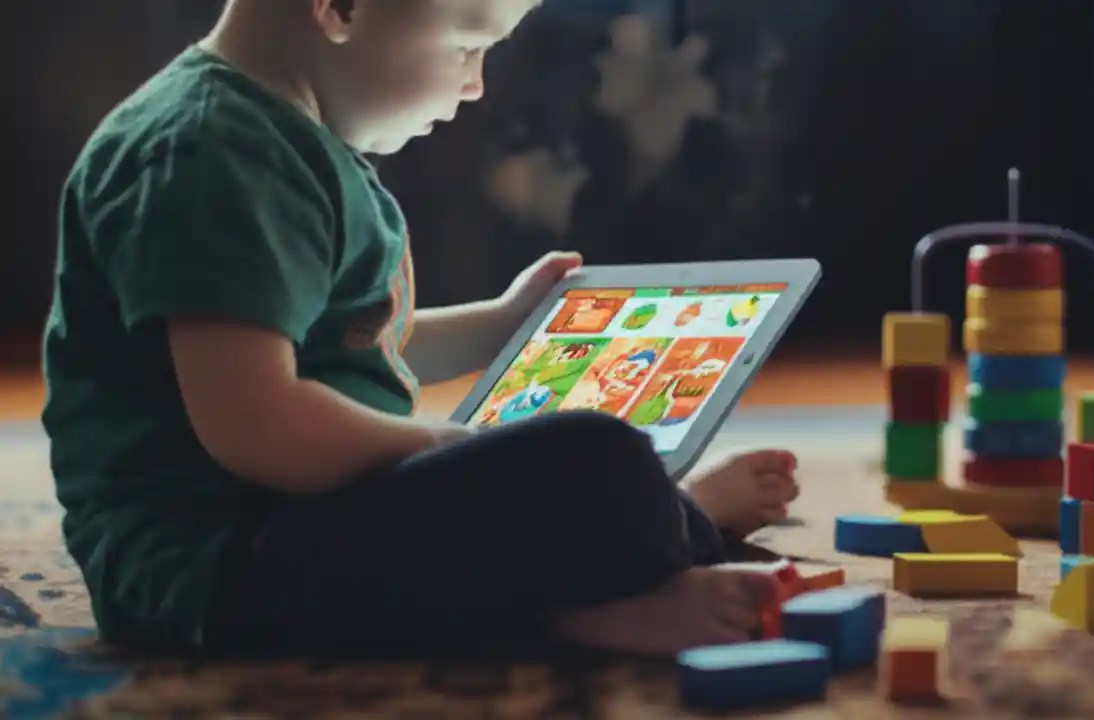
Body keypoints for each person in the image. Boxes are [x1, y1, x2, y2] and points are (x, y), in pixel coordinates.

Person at [42, 0, 801, 658]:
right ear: (339, 7)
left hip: (296, 521)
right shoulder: (211, 153)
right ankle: (603, 588)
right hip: (219, 566)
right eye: (469, 46)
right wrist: (441, 445)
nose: (476, 85)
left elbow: (344, 345)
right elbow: (255, 423)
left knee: (586, 457)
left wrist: (499, 328)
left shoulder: (282, 138)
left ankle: (643, 533)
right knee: (595, 461)